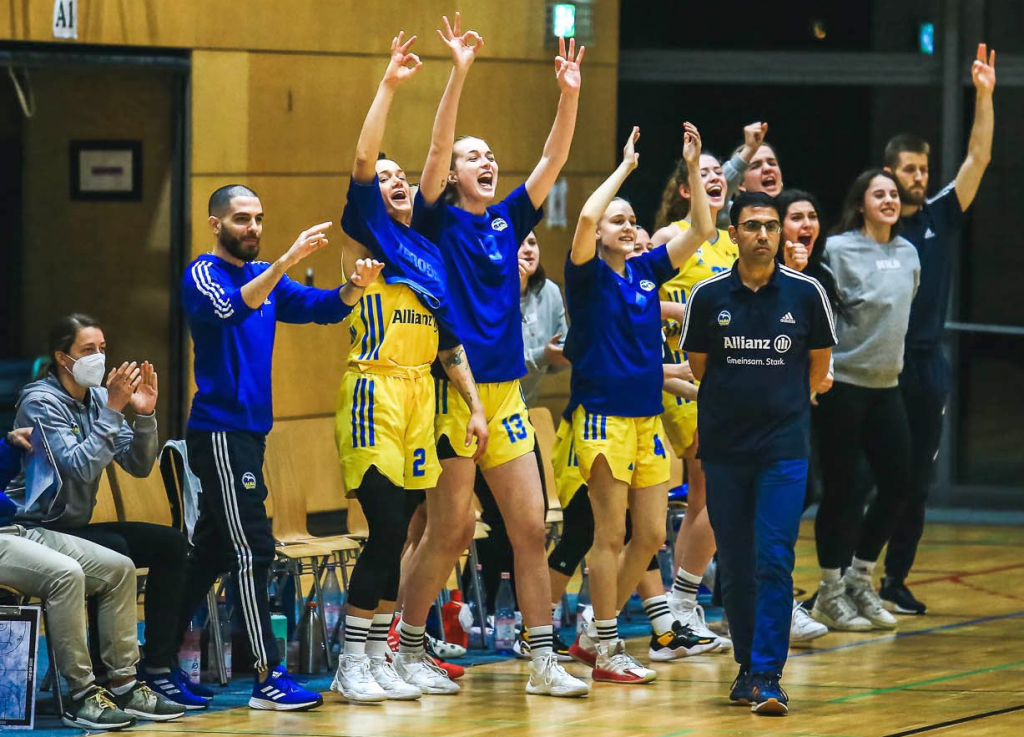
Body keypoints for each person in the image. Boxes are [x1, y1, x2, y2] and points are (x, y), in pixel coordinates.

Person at [397, 23, 588, 698]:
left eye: (490, 154)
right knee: (449, 532)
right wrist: (459, 71)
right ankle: (406, 646)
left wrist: (569, 96)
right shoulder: (436, 219)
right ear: (452, 174)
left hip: (506, 395)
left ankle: (542, 660)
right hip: (453, 391)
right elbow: (435, 146)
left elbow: (553, 159)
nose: (485, 161)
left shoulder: (508, 219)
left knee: (531, 527)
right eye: (472, 155)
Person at [176, 182, 383, 711]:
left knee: (211, 553)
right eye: (242, 219)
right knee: (253, 550)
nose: (253, 228)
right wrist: (286, 261)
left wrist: (354, 288)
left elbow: (321, 308)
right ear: (215, 224)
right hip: (219, 433)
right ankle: (267, 677)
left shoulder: (264, 277)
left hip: (251, 434)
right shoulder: (204, 274)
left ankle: (154, 661)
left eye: (259, 218)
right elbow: (231, 310)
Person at [332, 32, 487, 703]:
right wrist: (390, 85)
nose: (395, 181)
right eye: (388, 177)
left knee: (407, 529)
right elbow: (365, 158)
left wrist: (474, 405)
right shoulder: (370, 228)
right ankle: (351, 661)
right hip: (373, 391)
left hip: (422, 397)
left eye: (404, 178)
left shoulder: (428, 253)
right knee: (387, 527)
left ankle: (381, 657)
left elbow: (450, 345)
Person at [563, 123, 714, 683]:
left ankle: (592, 631)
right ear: (600, 234)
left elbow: (702, 228)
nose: (629, 227)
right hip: (601, 419)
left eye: (632, 219)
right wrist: (625, 168)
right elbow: (584, 218)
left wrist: (693, 167)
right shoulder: (586, 276)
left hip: (646, 419)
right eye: (618, 221)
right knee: (609, 535)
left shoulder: (648, 271)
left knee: (650, 536)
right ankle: (607, 648)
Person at [680, 190, 835, 715]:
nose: (764, 234)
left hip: (783, 449)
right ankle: (747, 667)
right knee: (736, 562)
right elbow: (699, 366)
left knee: (774, 559)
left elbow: (818, 369)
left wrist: (780, 405)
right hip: (724, 449)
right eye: (752, 226)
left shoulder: (806, 293)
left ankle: (768, 675)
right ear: (733, 234)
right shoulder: (707, 296)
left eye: (771, 225)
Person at [3, 314, 205, 710]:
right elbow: (76, 468)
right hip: (34, 525)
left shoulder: (97, 399)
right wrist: (113, 409)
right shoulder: (40, 402)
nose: (98, 356)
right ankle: (97, 677)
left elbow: (139, 465)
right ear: (62, 357)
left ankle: (156, 666)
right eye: (87, 349)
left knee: (170, 544)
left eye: (102, 348)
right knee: (115, 552)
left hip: (73, 526)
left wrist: (144, 416)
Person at [876, 43, 995, 615]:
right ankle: (843, 578)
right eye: (909, 170)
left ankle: (893, 579)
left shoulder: (940, 215)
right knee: (867, 478)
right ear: (889, 174)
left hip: (926, 365)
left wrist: (984, 96)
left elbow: (978, 158)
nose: (919, 178)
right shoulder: (870, 227)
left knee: (915, 484)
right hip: (877, 366)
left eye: (924, 170)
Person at [2, 429, 183, 728]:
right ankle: (81, 694)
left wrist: (8, 448)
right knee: (66, 574)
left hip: (15, 527)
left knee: (119, 568)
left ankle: (124, 685)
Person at [810, 170, 920, 633]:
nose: (889, 200)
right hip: (844, 384)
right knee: (844, 489)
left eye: (894, 194)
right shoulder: (837, 249)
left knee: (899, 482)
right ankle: (829, 591)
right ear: (861, 204)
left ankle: (859, 577)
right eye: (880, 194)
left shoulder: (909, 252)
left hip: (886, 385)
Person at [650, 147, 738, 652]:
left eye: (719, 173)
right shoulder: (670, 237)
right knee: (716, 490)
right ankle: (680, 603)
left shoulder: (732, 241)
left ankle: (682, 606)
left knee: (705, 497)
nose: (714, 178)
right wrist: (682, 311)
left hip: (727, 379)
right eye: (703, 173)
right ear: (686, 190)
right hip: (684, 377)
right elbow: (632, 293)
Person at [775, 190, 841, 644]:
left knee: (807, 492)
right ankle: (762, 602)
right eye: (796, 217)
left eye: (812, 216)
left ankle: (773, 601)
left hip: (804, 404)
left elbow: (821, 345)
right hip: (767, 408)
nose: (807, 225)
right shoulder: (766, 277)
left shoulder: (820, 277)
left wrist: (818, 378)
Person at [518, 230, 570, 405]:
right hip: (485, 402)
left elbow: (558, 360)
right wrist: (542, 356)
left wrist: (569, 352)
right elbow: (495, 363)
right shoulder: (489, 297)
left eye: (532, 243)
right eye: (519, 243)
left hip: (527, 404)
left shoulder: (550, 291)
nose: (528, 249)